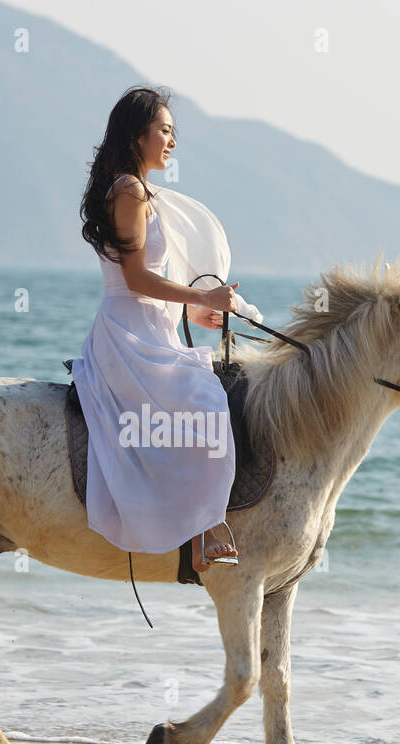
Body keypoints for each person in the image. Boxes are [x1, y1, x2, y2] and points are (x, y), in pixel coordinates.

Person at [74, 86, 240, 574]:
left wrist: (196, 315)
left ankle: (195, 531)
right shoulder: (128, 190)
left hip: (148, 327)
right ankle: (200, 534)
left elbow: (146, 283)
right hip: (129, 338)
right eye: (164, 130)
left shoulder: (135, 189)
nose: (172, 141)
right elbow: (135, 279)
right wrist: (204, 296)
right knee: (209, 409)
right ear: (137, 134)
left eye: (173, 132)